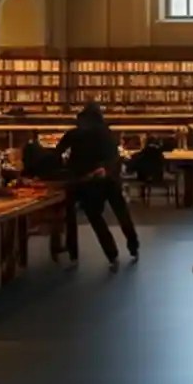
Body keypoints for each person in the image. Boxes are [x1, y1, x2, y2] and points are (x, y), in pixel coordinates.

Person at [56, 103, 139, 270]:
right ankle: (133, 245)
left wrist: (67, 166)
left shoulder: (75, 133)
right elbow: (115, 156)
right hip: (108, 178)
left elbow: (57, 152)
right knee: (121, 212)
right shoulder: (106, 133)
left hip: (88, 181)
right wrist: (106, 169)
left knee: (95, 217)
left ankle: (111, 254)